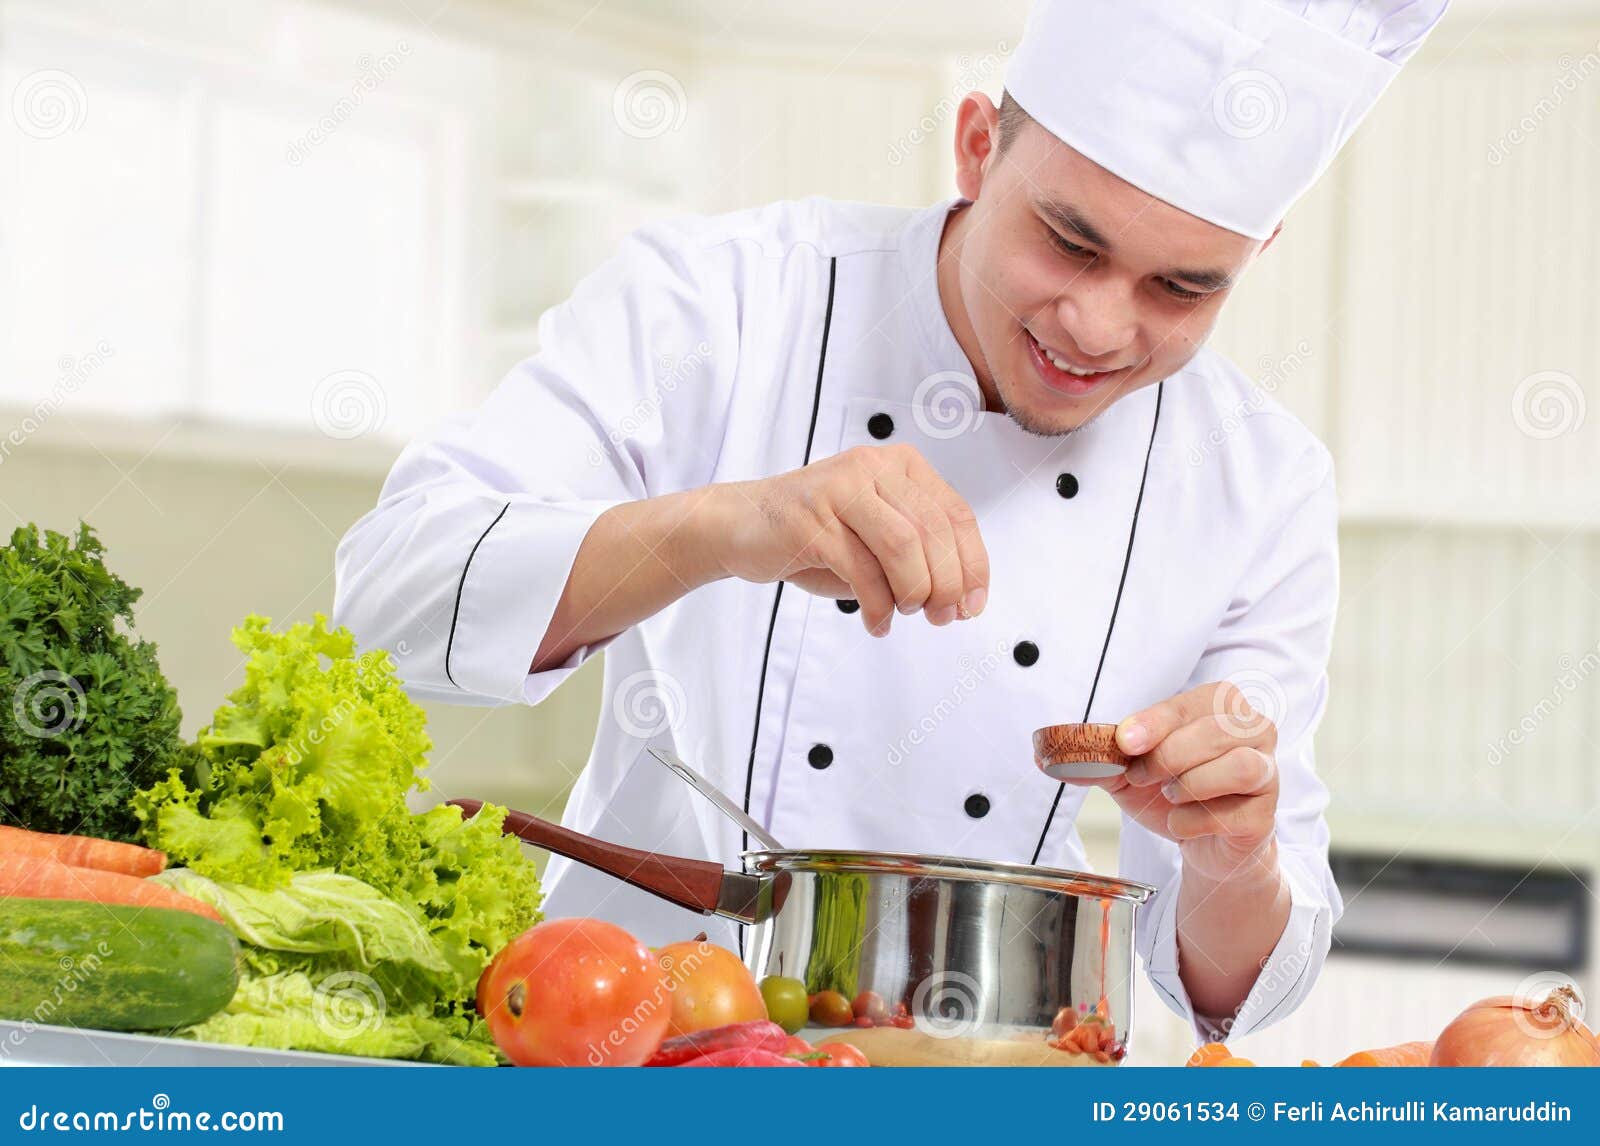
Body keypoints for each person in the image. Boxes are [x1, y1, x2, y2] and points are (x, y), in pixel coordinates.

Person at [335, 0, 1449, 1041]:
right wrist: (729, 525)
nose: (1098, 327)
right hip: (623, 1037)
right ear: (975, 147)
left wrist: (1232, 851)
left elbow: (1234, 995)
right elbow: (393, 594)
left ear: (1257, 252)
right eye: (1068, 242)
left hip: (985, 1072)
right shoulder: (722, 302)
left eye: (1182, 288)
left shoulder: (1260, 482)